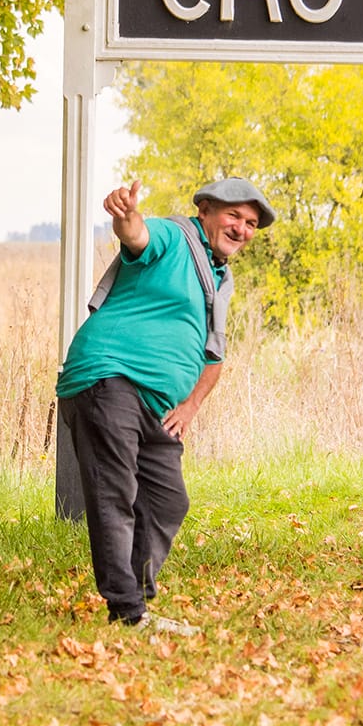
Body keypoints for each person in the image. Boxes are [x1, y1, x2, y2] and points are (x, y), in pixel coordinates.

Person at [56, 177, 276, 636]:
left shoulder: (219, 280)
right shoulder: (176, 237)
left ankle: (133, 596)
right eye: (234, 216)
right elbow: (138, 236)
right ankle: (127, 611)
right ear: (206, 211)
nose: (242, 229)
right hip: (108, 376)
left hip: (153, 404)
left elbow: (214, 358)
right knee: (116, 494)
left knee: (167, 499)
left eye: (251, 223)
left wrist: (191, 407)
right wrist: (126, 216)